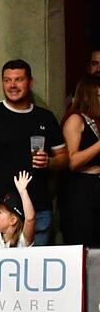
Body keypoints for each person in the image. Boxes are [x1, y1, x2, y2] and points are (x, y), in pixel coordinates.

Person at [0, 59, 68, 245]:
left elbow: (64, 159)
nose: (12, 85)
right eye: (7, 80)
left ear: (30, 82)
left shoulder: (45, 117)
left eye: (18, 79)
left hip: (37, 210)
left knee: (35, 271)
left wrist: (49, 162)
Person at [60, 75, 100, 246]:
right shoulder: (75, 119)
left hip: (96, 187)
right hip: (82, 189)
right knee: (84, 241)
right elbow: (72, 161)